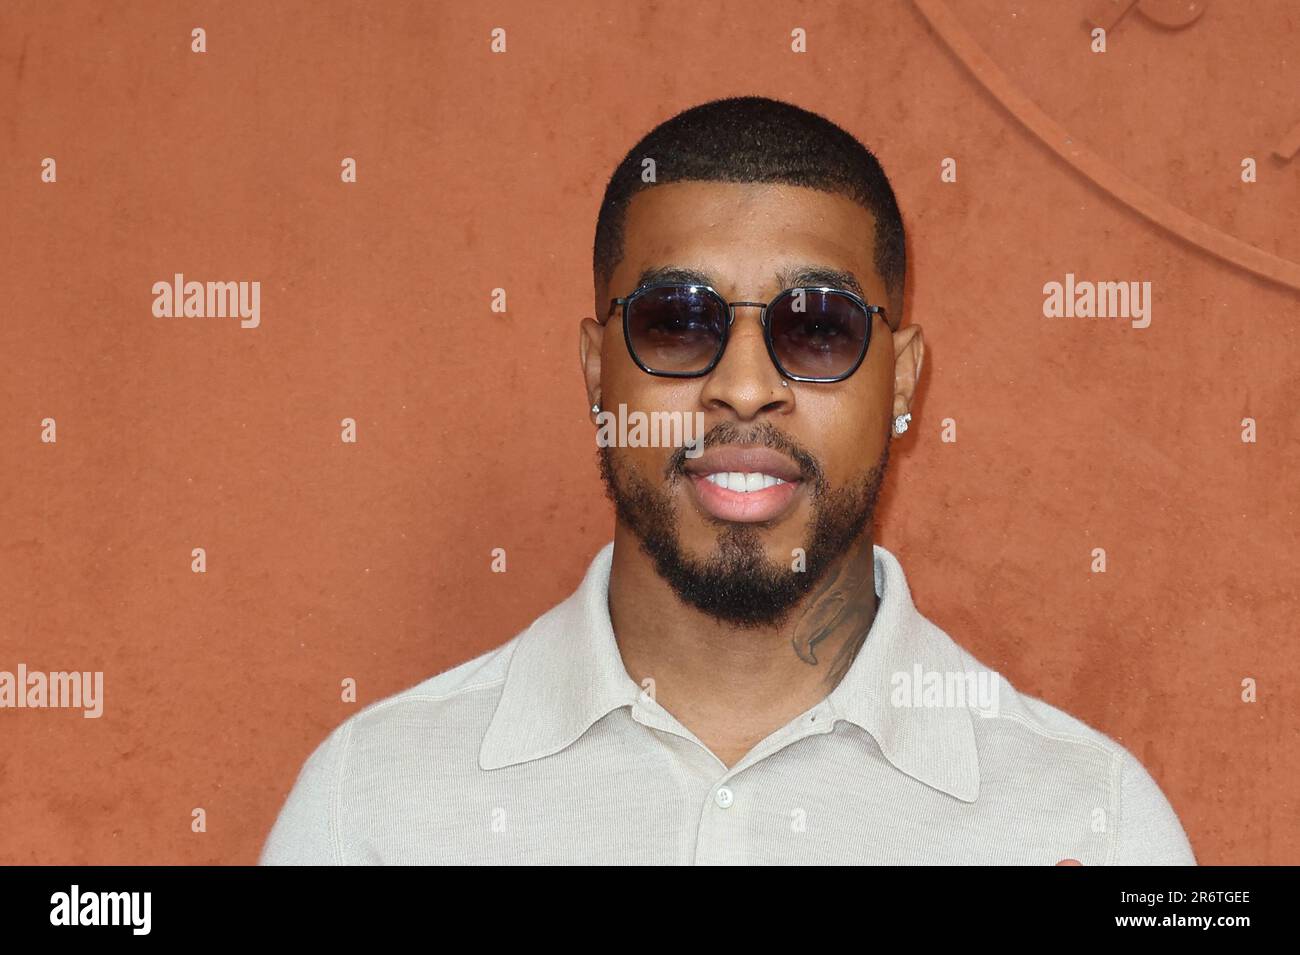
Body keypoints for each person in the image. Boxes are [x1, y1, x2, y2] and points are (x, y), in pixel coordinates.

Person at [260, 95, 1195, 864]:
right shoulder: (371, 806)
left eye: (819, 327)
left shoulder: (1094, 825)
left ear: (903, 380)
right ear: (596, 373)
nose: (744, 388)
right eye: (676, 320)